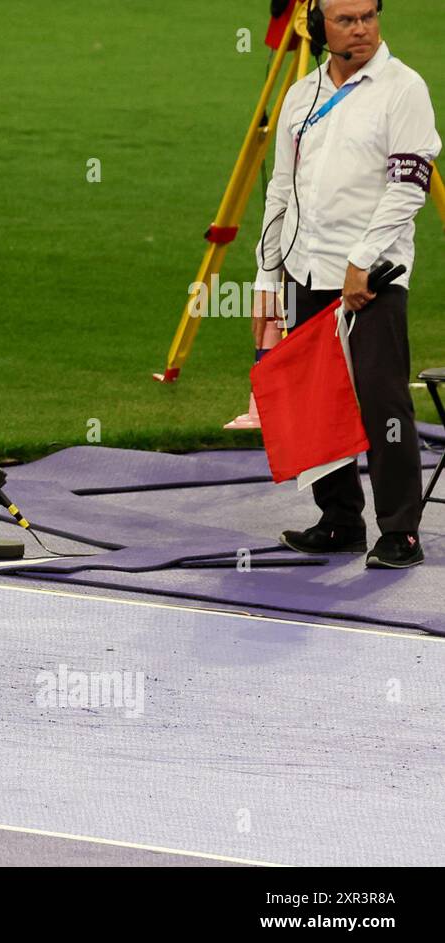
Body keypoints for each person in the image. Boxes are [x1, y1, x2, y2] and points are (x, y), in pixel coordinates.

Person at [254, 0, 440, 568]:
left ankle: (400, 532)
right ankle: (339, 521)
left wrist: (361, 261)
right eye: (346, 19)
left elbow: (407, 187)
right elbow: (281, 189)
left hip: (374, 275)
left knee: (383, 400)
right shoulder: (298, 96)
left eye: (368, 16)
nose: (360, 28)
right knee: (317, 400)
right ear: (318, 28)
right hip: (304, 268)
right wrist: (266, 276)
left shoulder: (404, 88)